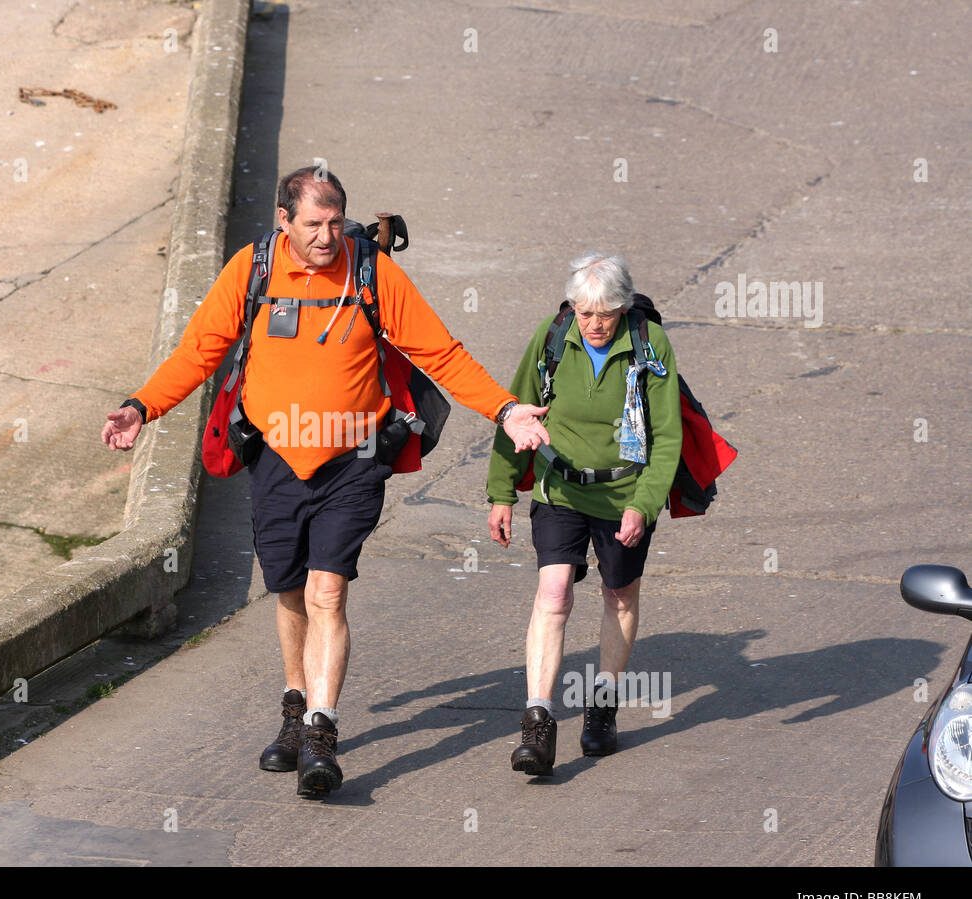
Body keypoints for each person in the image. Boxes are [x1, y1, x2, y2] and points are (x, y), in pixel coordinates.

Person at [102, 165, 550, 797]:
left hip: (355, 459)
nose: (326, 236)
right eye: (313, 224)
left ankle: (321, 731)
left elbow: (439, 352)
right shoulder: (252, 269)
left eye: (336, 222)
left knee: (326, 592)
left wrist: (505, 409)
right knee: (287, 590)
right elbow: (200, 350)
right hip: (277, 459)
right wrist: (141, 407)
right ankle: (294, 707)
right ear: (283, 221)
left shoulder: (371, 270)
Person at [485, 253, 682, 776]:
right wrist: (501, 492)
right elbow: (516, 413)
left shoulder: (650, 346)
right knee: (554, 593)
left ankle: (602, 707)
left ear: (623, 309)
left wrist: (644, 504)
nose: (594, 325)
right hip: (560, 491)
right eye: (585, 313)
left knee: (619, 595)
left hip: (624, 495)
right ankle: (538, 722)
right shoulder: (552, 338)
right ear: (573, 307)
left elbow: (667, 438)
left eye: (606, 314)